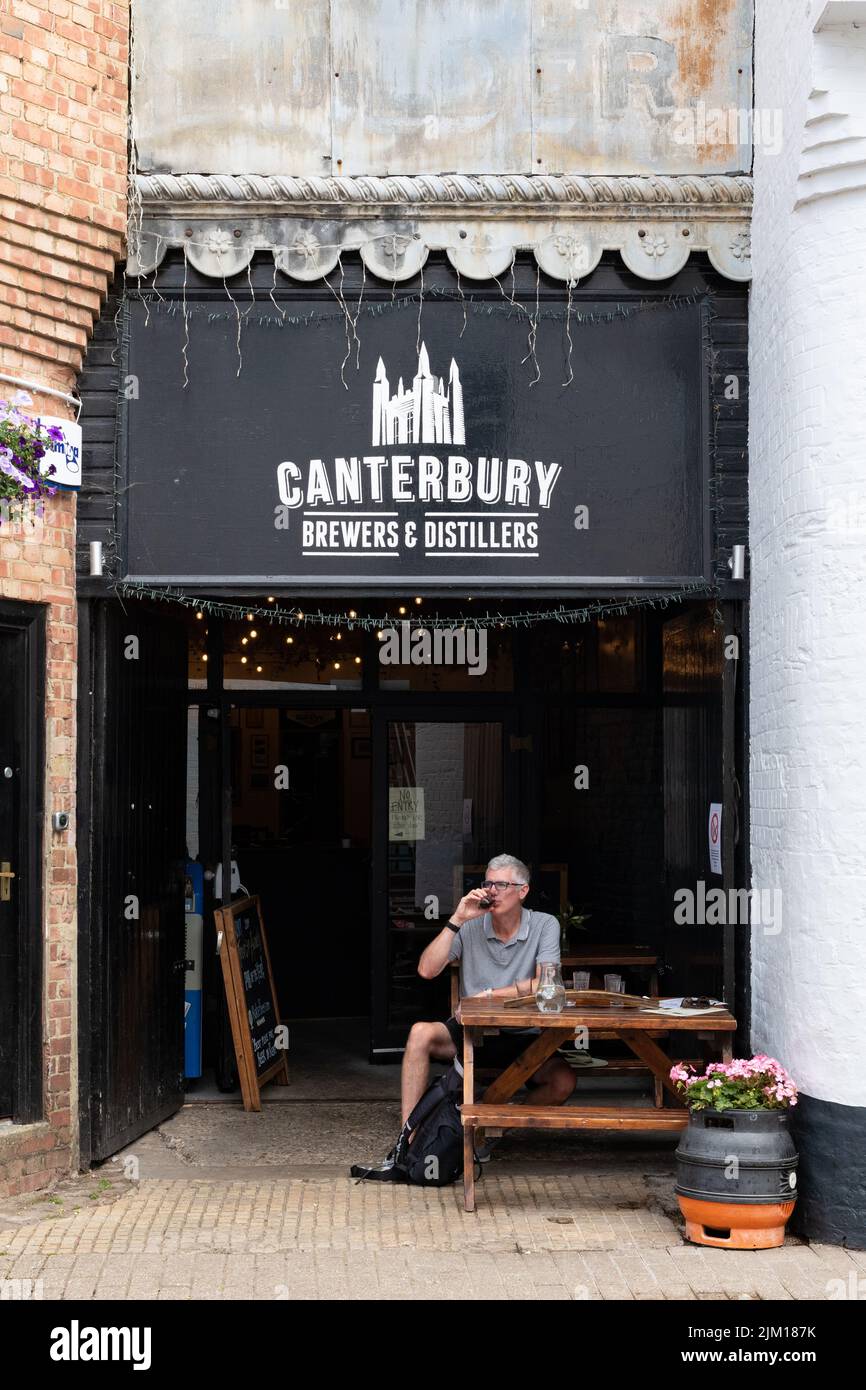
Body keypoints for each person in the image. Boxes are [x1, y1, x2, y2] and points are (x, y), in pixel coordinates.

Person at [402, 853, 576, 1122]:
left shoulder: (544, 924)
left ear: (523, 891)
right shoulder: (470, 924)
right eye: (488, 884)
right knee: (419, 1033)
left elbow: (546, 982)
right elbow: (427, 970)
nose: (492, 891)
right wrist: (456, 920)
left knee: (563, 1081)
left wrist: (491, 996)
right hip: (474, 1034)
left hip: (524, 1035)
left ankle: (494, 1130)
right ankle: (408, 1139)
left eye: (501, 885)